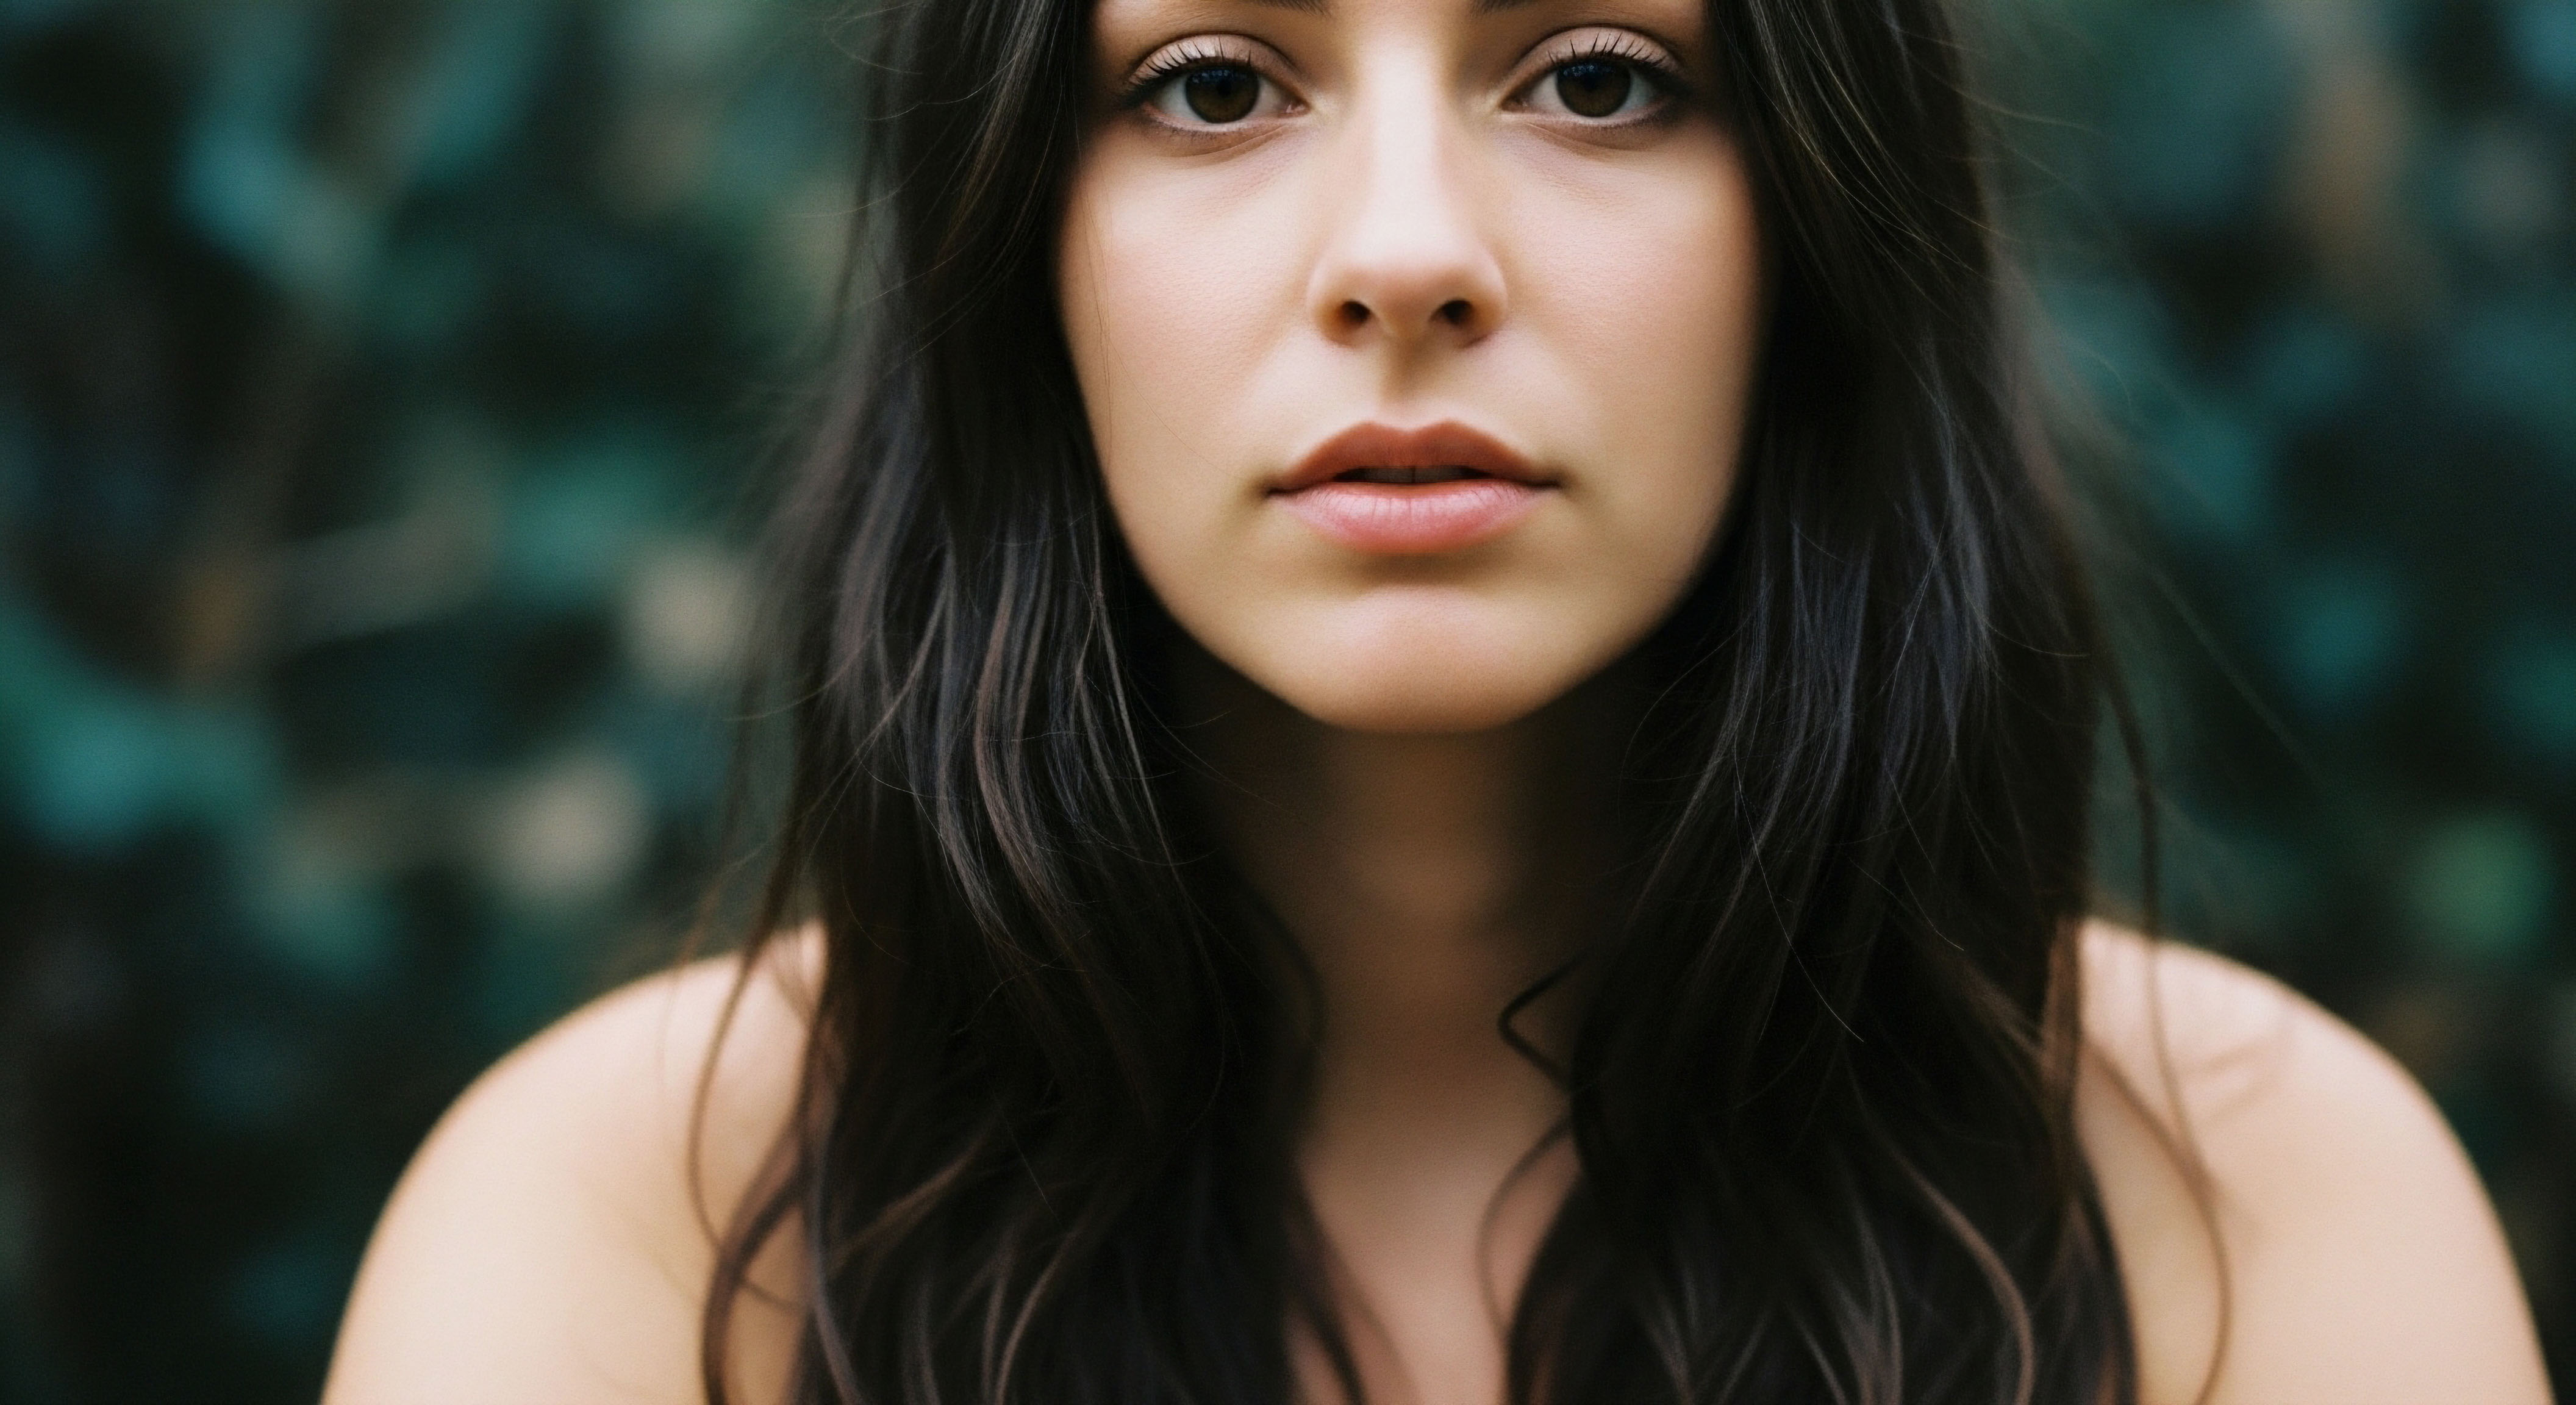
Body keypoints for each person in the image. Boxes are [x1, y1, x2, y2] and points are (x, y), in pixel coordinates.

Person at [321, 0, 2551, 1401]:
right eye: (1212, 84)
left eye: (1597, 78)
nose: (1405, 251)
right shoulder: (630, 1232)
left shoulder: (2256, 1217)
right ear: (1017, 247)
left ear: (1819, 226)